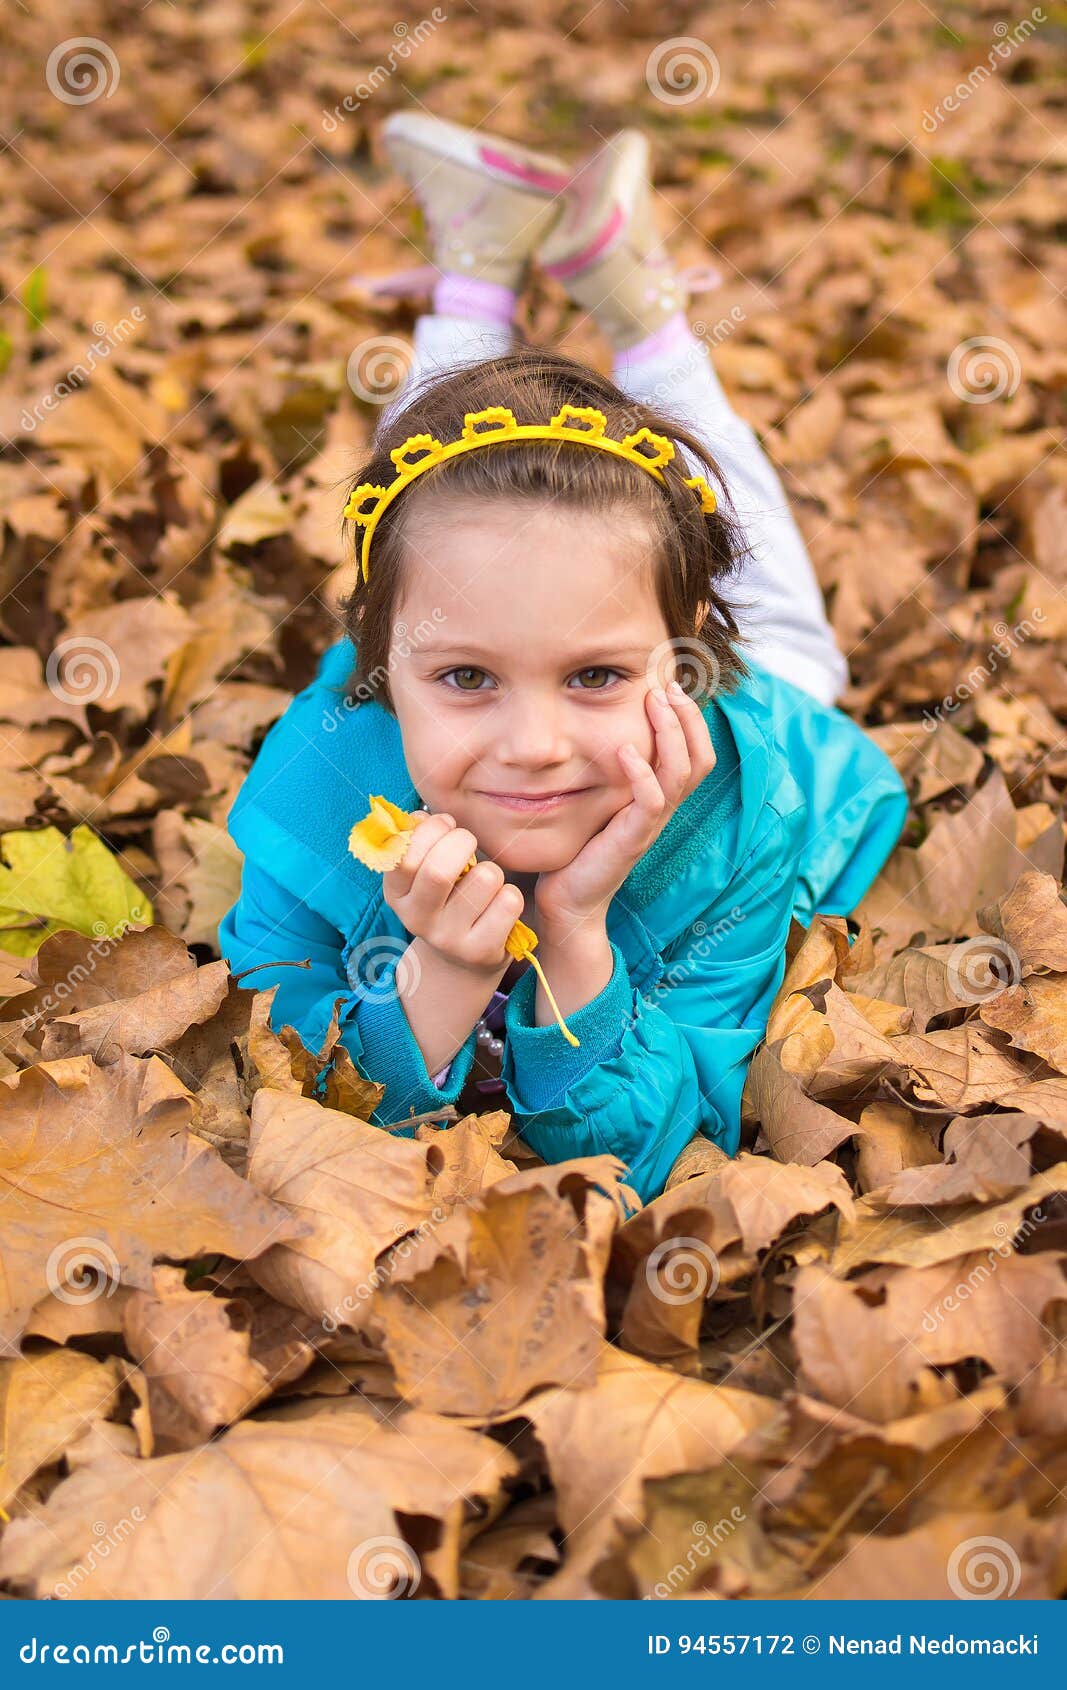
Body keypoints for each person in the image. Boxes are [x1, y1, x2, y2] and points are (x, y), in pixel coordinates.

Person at [217, 114, 908, 1204]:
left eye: (593, 675)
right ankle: (524, 279)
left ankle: (605, 307)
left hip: (757, 695)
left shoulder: (734, 813)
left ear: (680, 665)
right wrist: (441, 972)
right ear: (374, 670)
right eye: (462, 678)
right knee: (445, 510)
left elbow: (655, 1148)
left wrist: (576, 927)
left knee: (782, 634)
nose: (534, 748)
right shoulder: (315, 788)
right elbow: (282, 1102)